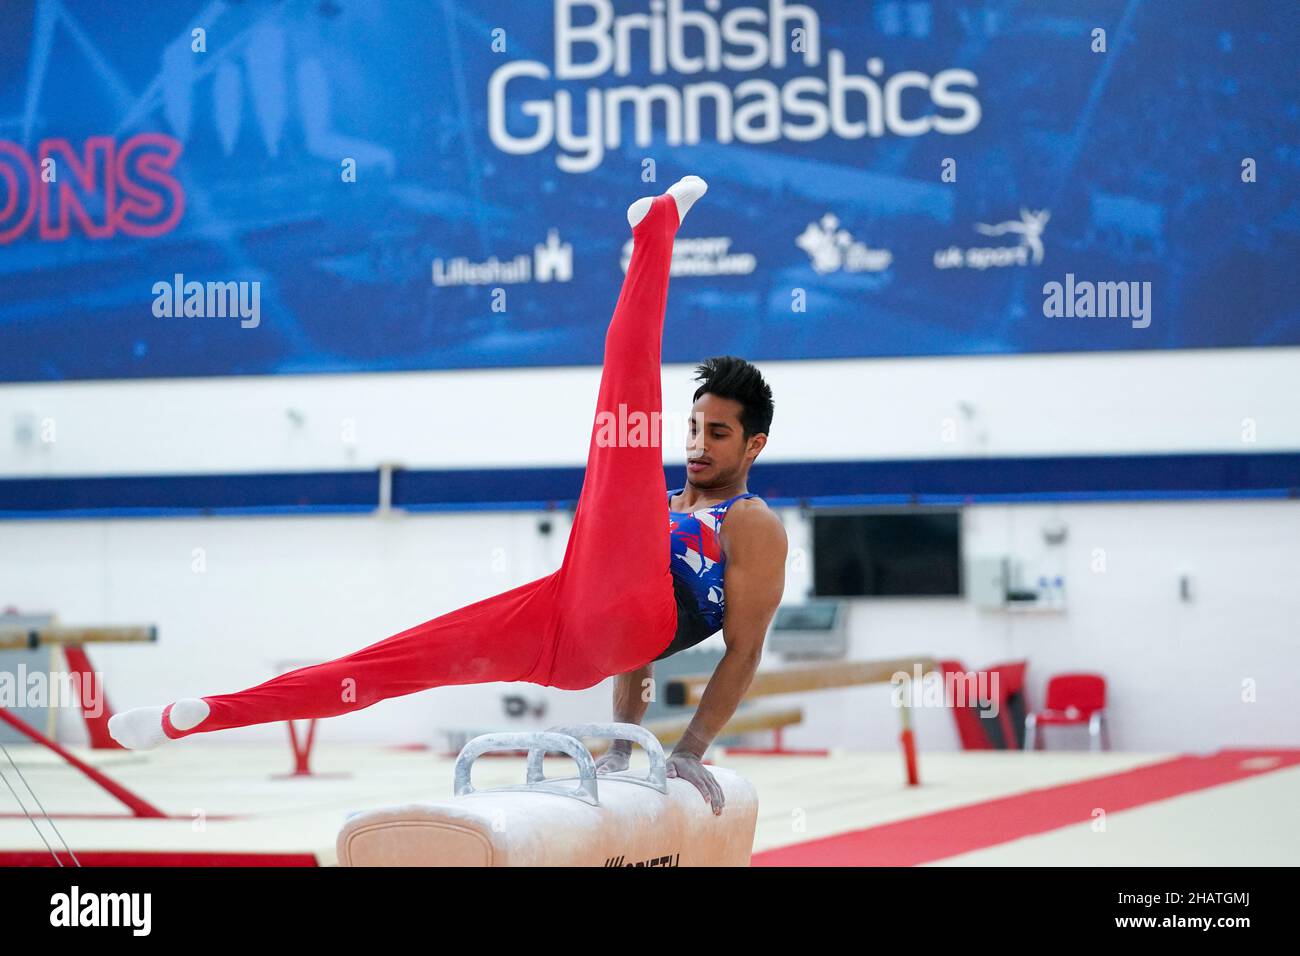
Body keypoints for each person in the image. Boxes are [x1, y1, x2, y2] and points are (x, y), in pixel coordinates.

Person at [109, 176, 788, 813]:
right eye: (694, 427)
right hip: (565, 619)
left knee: (625, 402)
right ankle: (202, 713)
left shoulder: (751, 524)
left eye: (718, 433)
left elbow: (743, 650)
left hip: (625, 617)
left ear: (753, 445)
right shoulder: (662, 505)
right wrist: (621, 744)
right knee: (383, 667)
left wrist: (689, 750)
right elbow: (627, 655)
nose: (698, 444)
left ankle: (656, 231)